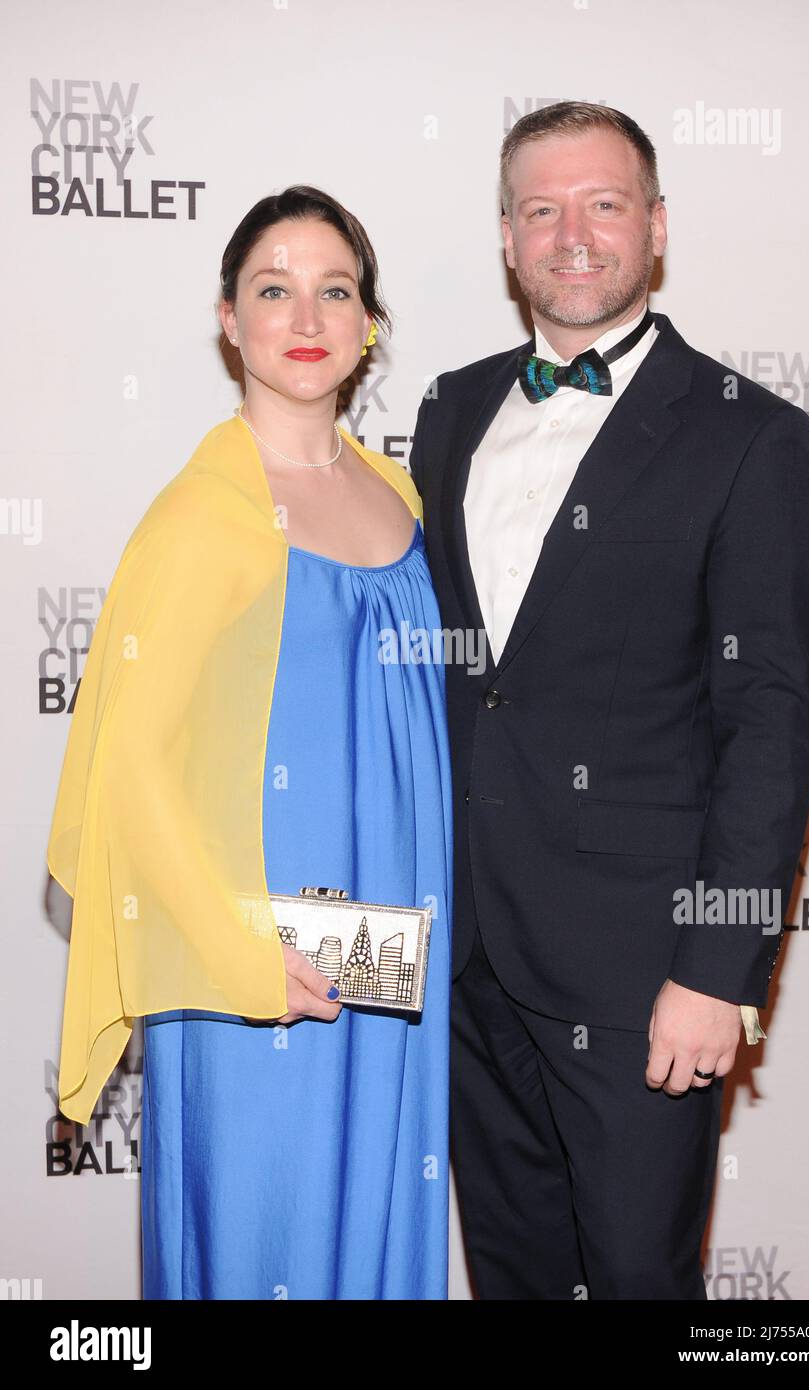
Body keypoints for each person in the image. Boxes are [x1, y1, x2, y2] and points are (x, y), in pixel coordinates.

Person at [408, 102, 809, 1300]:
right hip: (470, 959)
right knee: (513, 1277)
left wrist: (716, 970)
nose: (571, 234)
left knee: (644, 1287)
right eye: (540, 209)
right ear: (505, 237)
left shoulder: (753, 438)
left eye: (602, 204)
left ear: (654, 225)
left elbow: (768, 724)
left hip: (644, 975)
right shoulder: (447, 413)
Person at [47, 186, 452, 1300]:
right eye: (273, 289)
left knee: (374, 1241)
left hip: (392, 963)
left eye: (336, 288)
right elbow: (126, 771)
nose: (305, 313)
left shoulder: (401, 495)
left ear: (369, 324)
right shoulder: (202, 514)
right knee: (259, 1250)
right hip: (256, 974)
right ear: (228, 317)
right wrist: (237, 953)